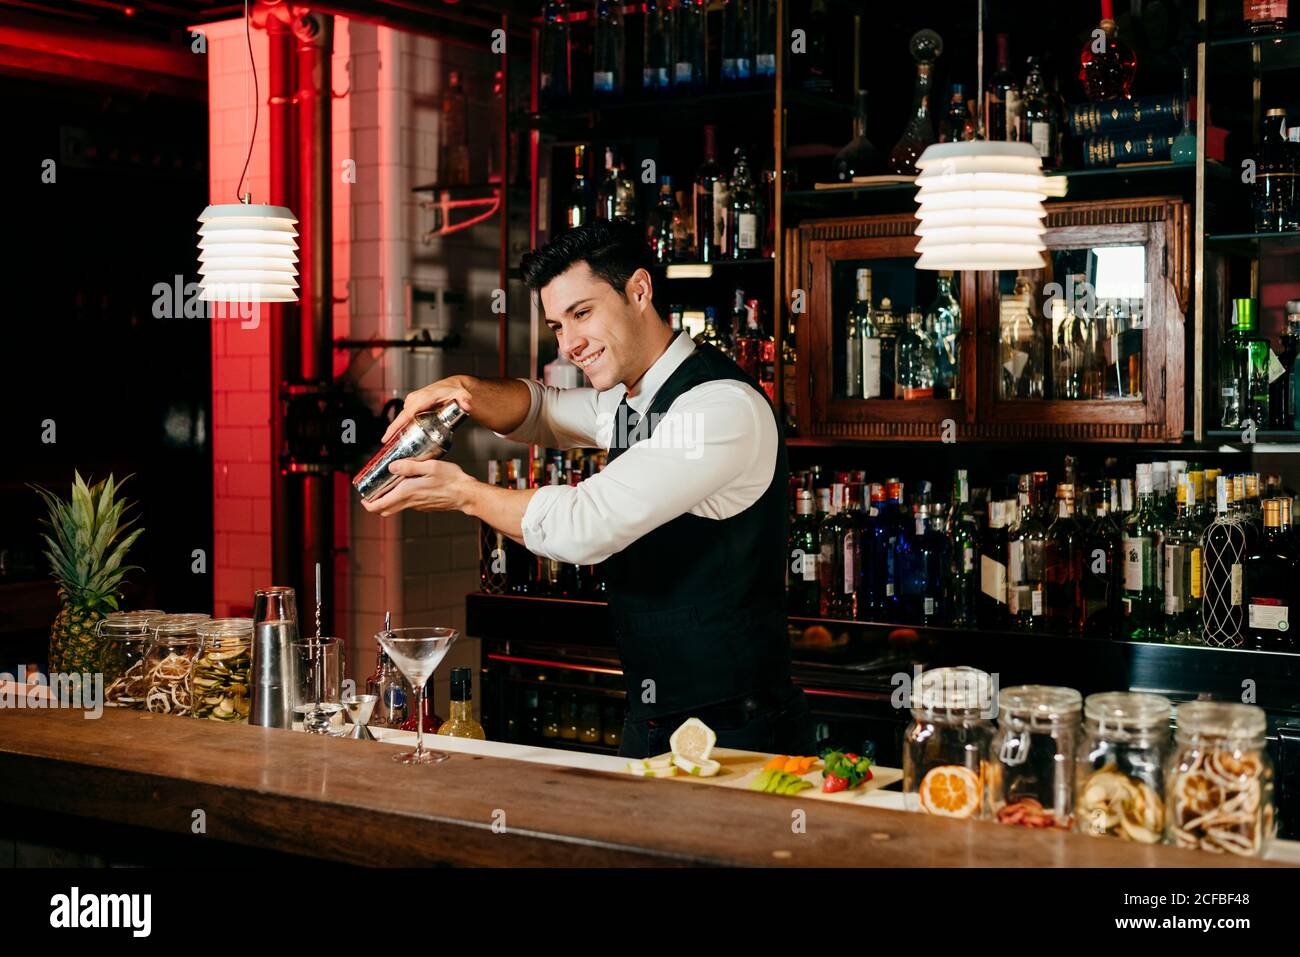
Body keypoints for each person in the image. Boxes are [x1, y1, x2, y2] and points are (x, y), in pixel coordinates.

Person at [363, 220, 813, 758]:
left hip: (737, 733)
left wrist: (464, 494)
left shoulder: (717, 409)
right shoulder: (634, 401)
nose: (571, 344)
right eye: (557, 325)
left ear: (639, 291)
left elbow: (586, 525)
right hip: (653, 721)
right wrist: (463, 391)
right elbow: (543, 410)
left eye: (583, 313)